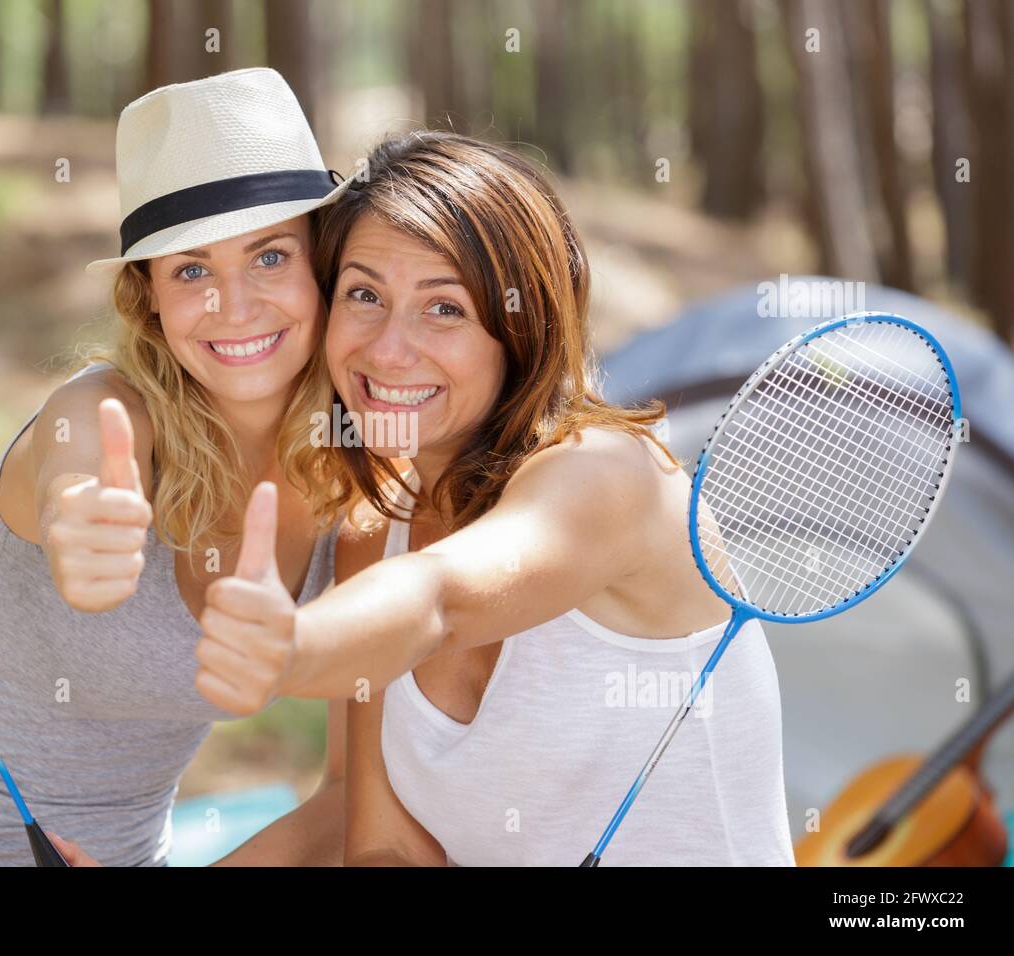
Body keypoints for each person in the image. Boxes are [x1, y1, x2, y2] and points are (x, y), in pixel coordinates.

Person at [189, 131, 795, 866]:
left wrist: (295, 646)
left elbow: (439, 601)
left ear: (522, 326)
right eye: (363, 295)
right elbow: (386, 849)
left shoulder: (609, 474)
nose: (387, 349)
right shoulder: (373, 530)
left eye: (444, 309)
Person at [0, 69, 352, 866]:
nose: (233, 305)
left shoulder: (357, 481)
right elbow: (76, 466)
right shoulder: (101, 412)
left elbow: (350, 798)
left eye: (269, 256)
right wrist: (79, 515)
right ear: (149, 296)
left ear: (324, 266)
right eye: (191, 270)